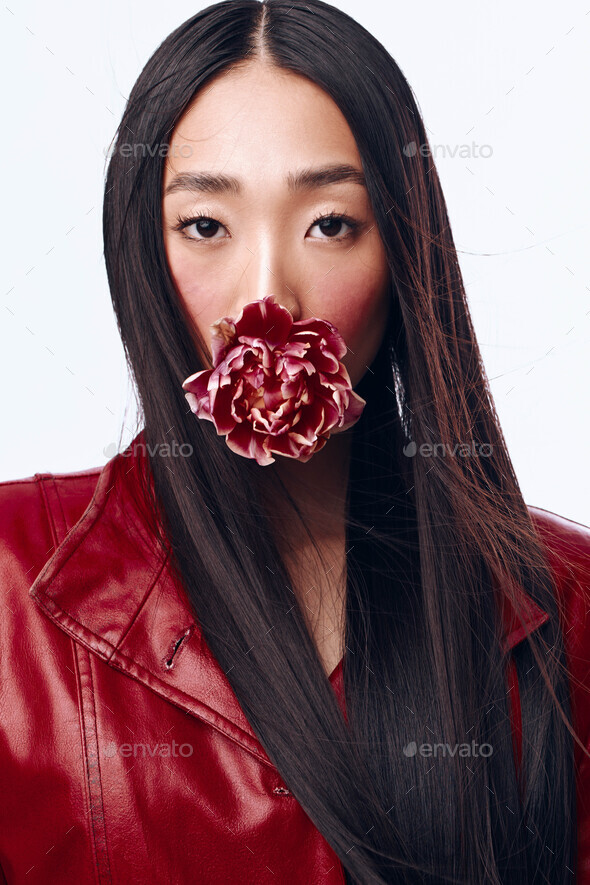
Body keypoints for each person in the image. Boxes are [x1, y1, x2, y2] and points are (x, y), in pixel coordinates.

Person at [1, 1, 589, 882]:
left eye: (330, 224)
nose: (267, 298)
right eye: (206, 225)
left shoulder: (564, 603)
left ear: (405, 254)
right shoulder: (13, 578)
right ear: (141, 257)